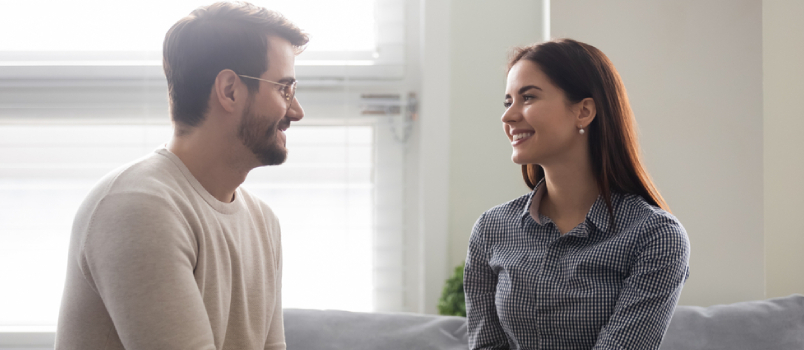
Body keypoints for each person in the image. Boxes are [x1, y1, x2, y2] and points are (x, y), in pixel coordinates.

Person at [55, 2, 308, 349]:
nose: (297, 110)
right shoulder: (139, 207)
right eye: (284, 89)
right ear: (230, 90)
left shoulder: (264, 221)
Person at [463, 39, 690, 350]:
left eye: (527, 97)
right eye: (508, 102)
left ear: (584, 111)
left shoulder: (654, 236)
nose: (508, 116)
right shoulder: (491, 229)